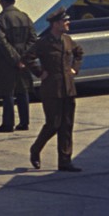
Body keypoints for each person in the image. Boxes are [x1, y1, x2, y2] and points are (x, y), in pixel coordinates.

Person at [28, 10, 85, 172]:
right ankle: (36, 149)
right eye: (65, 21)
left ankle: (65, 161)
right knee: (53, 124)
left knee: (67, 125)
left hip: (68, 89)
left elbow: (79, 53)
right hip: (52, 89)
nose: (68, 23)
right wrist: (39, 72)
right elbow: (28, 57)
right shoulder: (44, 43)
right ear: (55, 24)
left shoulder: (68, 40)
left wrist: (74, 69)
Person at [0, 0, 36, 133]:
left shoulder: (0, 19)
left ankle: (8, 124)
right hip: (23, 58)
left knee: (8, 92)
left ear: (2, 2)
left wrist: (16, 59)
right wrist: (24, 58)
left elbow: (2, 42)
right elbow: (33, 39)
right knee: (23, 90)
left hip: (6, 61)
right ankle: (24, 122)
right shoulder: (25, 17)